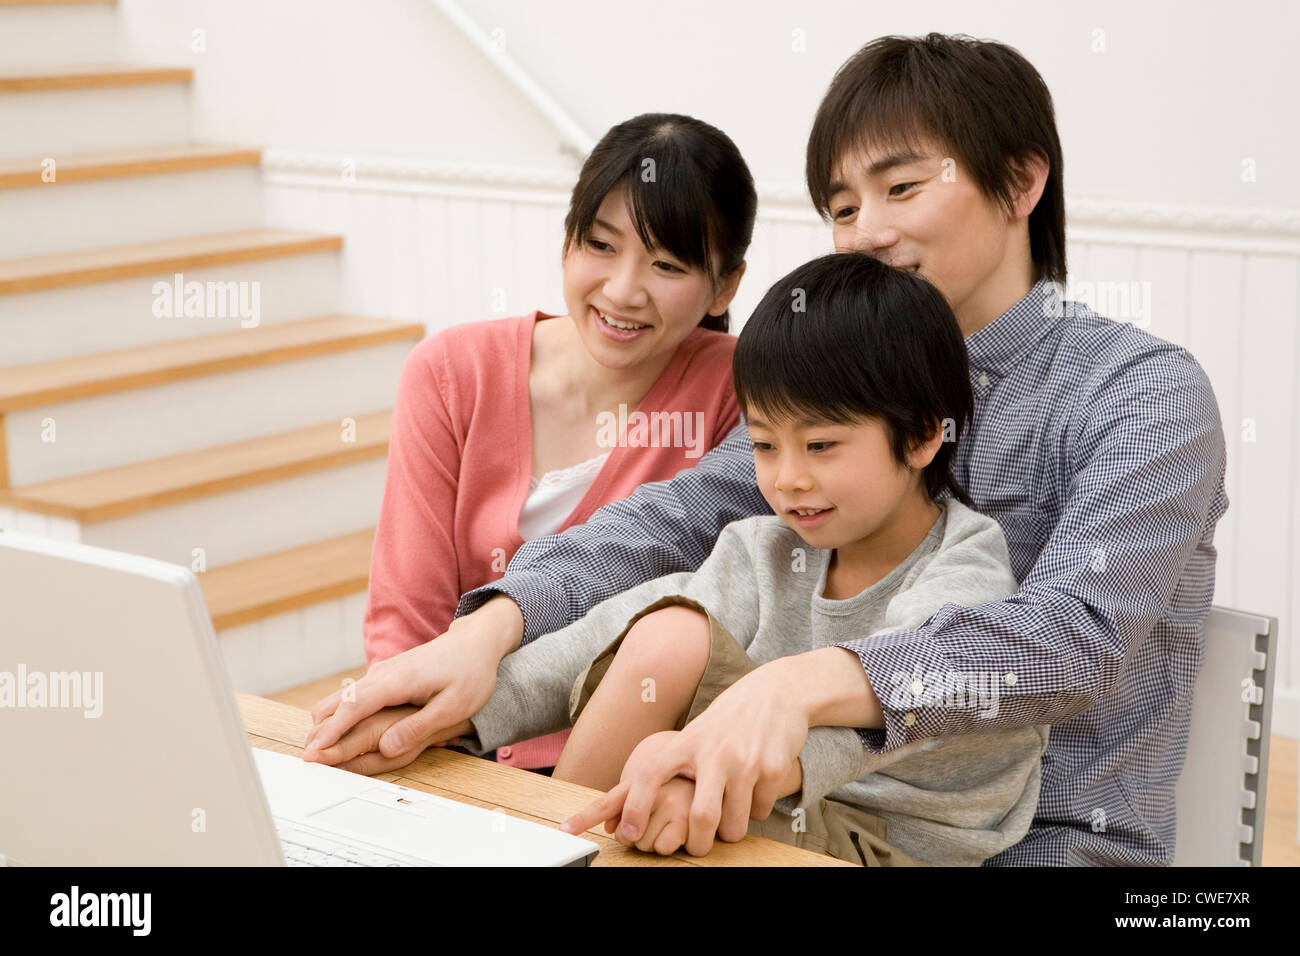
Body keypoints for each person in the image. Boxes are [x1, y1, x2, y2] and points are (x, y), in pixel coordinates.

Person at [305, 34, 1228, 867]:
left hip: (1042, 848)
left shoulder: (1141, 393)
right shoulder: (843, 375)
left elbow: (1077, 637)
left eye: (901, 188)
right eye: (841, 204)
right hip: (804, 815)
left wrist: (805, 687)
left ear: (1022, 183)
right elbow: (670, 523)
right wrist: (485, 638)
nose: (867, 231)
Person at [448, 251, 1051, 866]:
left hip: (882, 840)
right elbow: (607, 629)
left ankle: (558, 849)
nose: (788, 479)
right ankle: (554, 846)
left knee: (670, 797)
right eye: (765, 444)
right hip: (774, 804)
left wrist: (712, 773)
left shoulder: (967, 569)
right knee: (668, 631)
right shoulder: (766, 547)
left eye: (820, 445)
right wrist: (466, 714)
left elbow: (889, 714)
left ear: (924, 436)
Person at [352, 112, 755, 775]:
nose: (623, 290)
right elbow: (406, 620)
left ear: (726, 286)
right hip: (437, 745)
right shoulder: (453, 371)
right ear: (567, 239)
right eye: (600, 246)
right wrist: (405, 739)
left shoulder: (746, 391)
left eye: (667, 264)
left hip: (619, 772)